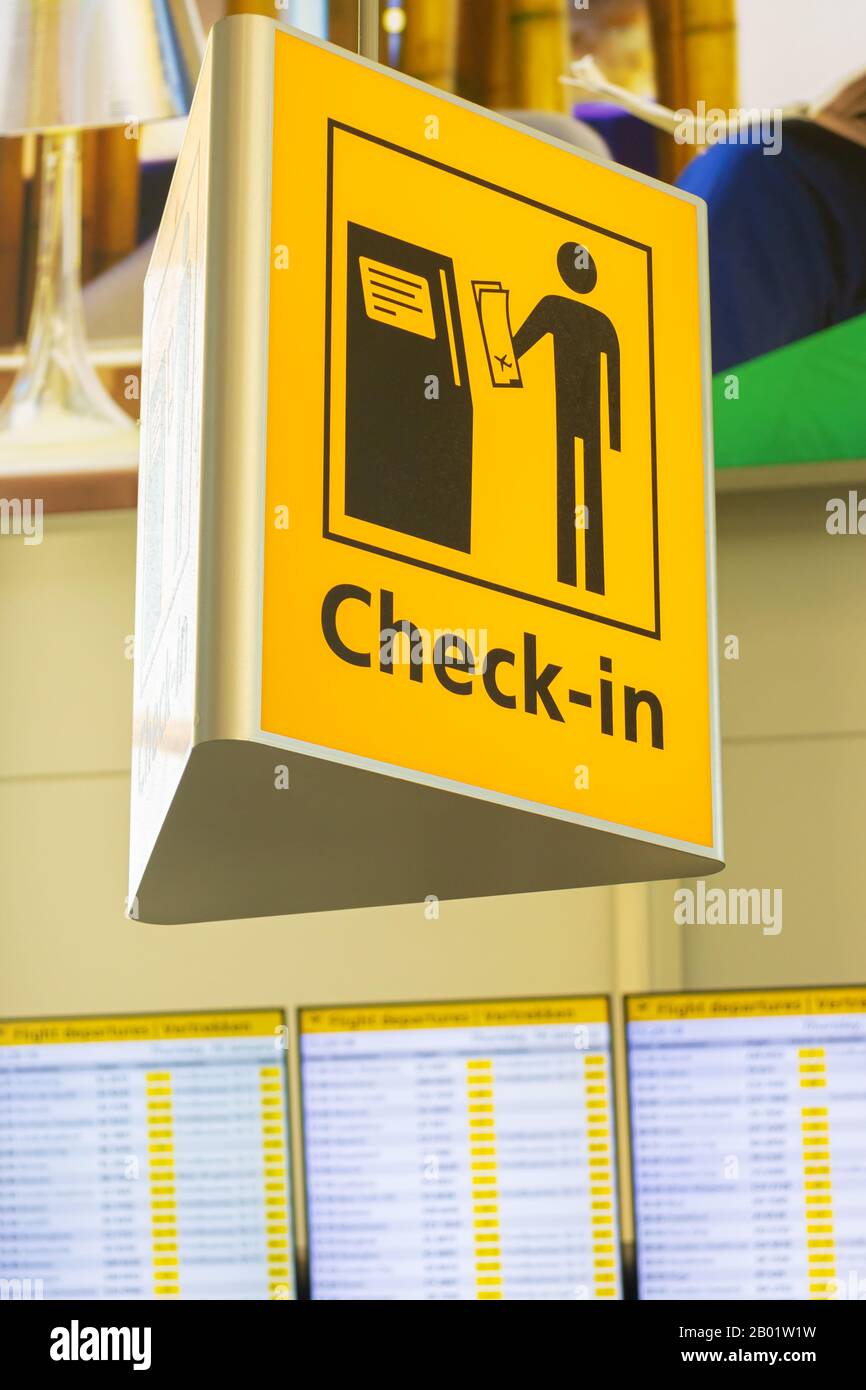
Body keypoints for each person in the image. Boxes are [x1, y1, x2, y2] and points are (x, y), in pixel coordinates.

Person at [513, 243, 621, 593]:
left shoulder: (555, 307)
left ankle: (571, 573)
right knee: (588, 489)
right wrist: (613, 435)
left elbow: (517, 346)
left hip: (569, 411)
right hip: (589, 417)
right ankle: (589, 575)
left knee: (568, 486)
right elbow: (614, 383)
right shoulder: (602, 322)